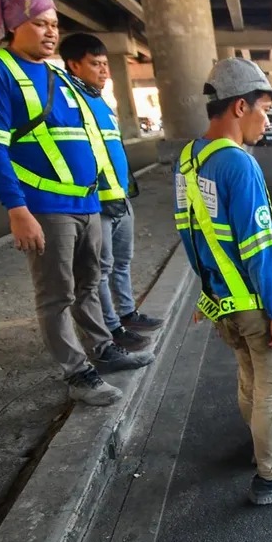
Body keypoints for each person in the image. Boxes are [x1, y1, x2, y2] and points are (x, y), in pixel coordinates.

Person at [0, 0, 153, 407]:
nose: (51, 32)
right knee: (56, 294)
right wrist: (17, 209)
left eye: (54, 24)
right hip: (45, 206)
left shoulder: (56, 76)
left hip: (87, 202)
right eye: (39, 23)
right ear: (13, 26)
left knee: (90, 283)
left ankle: (102, 348)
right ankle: (77, 373)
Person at [174, 57, 272, 506]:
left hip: (224, 302)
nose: (268, 117)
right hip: (258, 304)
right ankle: (271, 475)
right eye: (264, 107)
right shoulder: (238, 165)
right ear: (240, 107)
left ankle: (262, 441)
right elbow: (259, 248)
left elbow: (192, 234)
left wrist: (208, 292)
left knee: (250, 378)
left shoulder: (189, 160)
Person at [58, 32, 163, 351]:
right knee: (99, 271)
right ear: (74, 65)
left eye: (105, 64)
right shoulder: (69, 101)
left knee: (122, 262)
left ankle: (127, 313)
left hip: (119, 199)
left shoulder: (100, 102)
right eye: (96, 64)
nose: (104, 71)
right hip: (95, 205)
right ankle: (113, 328)